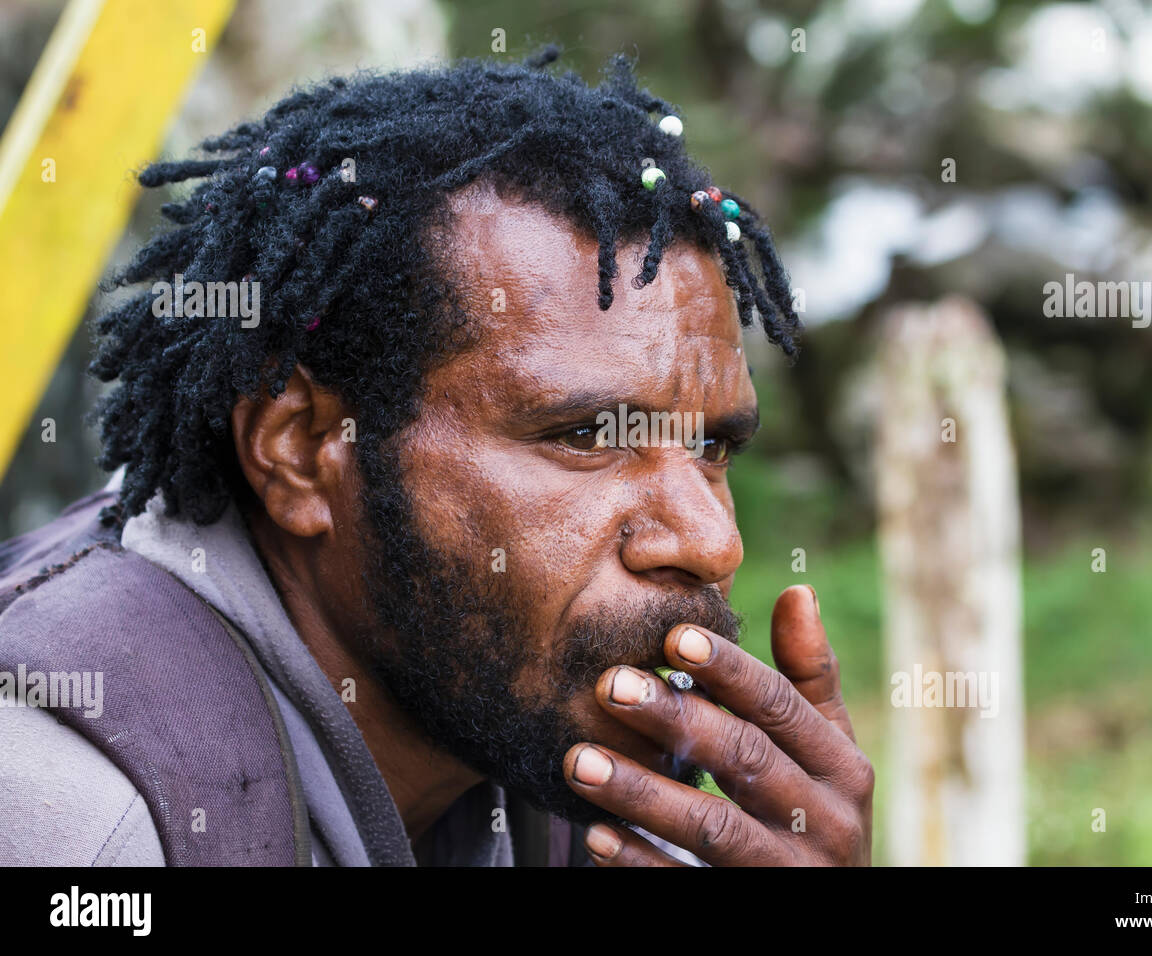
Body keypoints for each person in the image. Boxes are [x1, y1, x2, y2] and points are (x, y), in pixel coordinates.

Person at [0, 48, 873, 866]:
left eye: (713, 446)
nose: (713, 542)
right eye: (582, 437)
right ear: (300, 451)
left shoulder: (556, 765)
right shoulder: (76, 820)